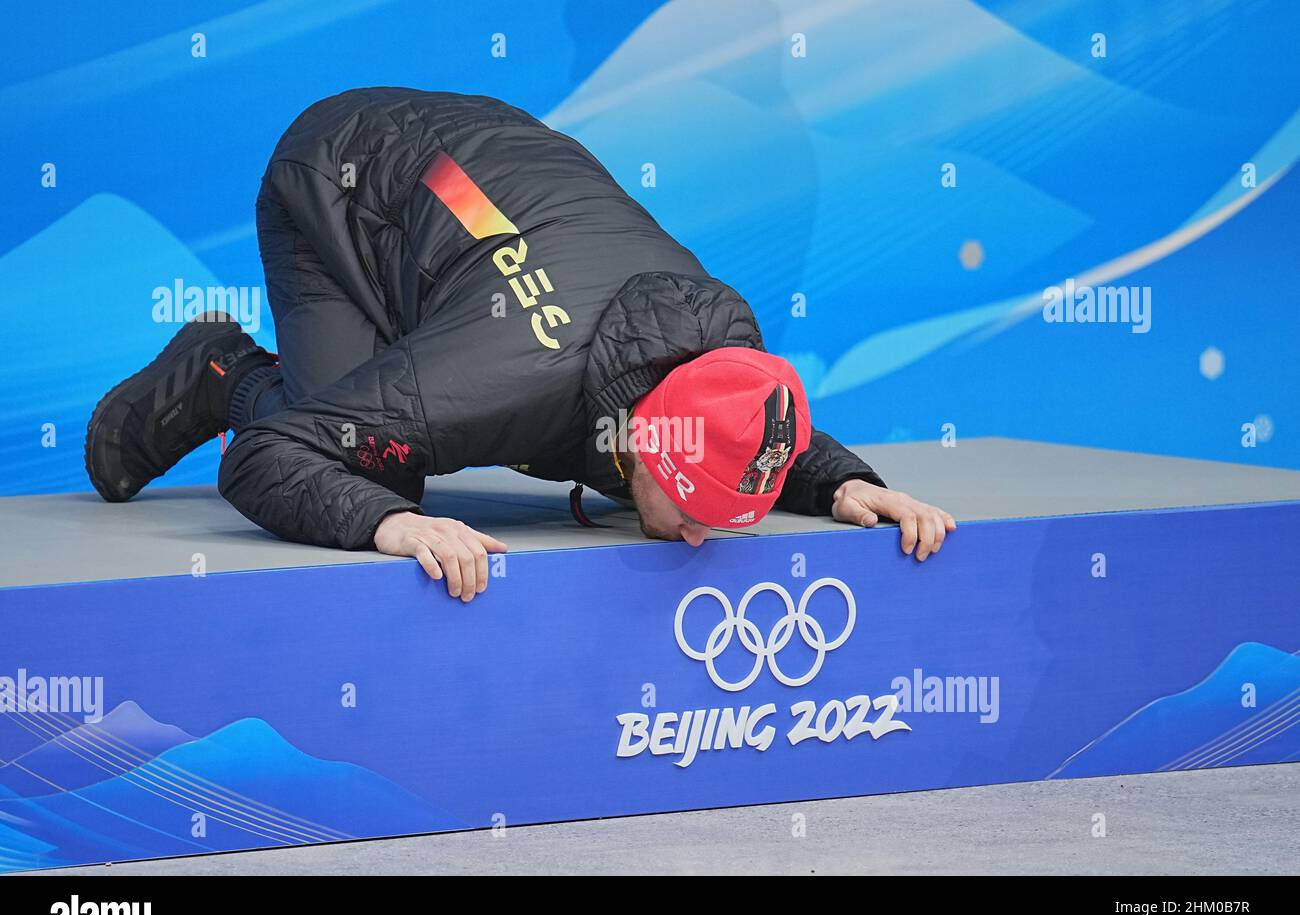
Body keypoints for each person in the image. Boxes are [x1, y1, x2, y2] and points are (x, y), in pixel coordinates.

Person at [86, 87, 955, 602]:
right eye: (694, 513)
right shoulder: (498, 382)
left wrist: (840, 481)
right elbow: (267, 459)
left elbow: (745, 428)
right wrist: (385, 522)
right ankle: (213, 371)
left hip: (487, 165)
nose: (698, 541)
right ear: (642, 441)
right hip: (344, 179)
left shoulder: (720, 348)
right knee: (370, 470)